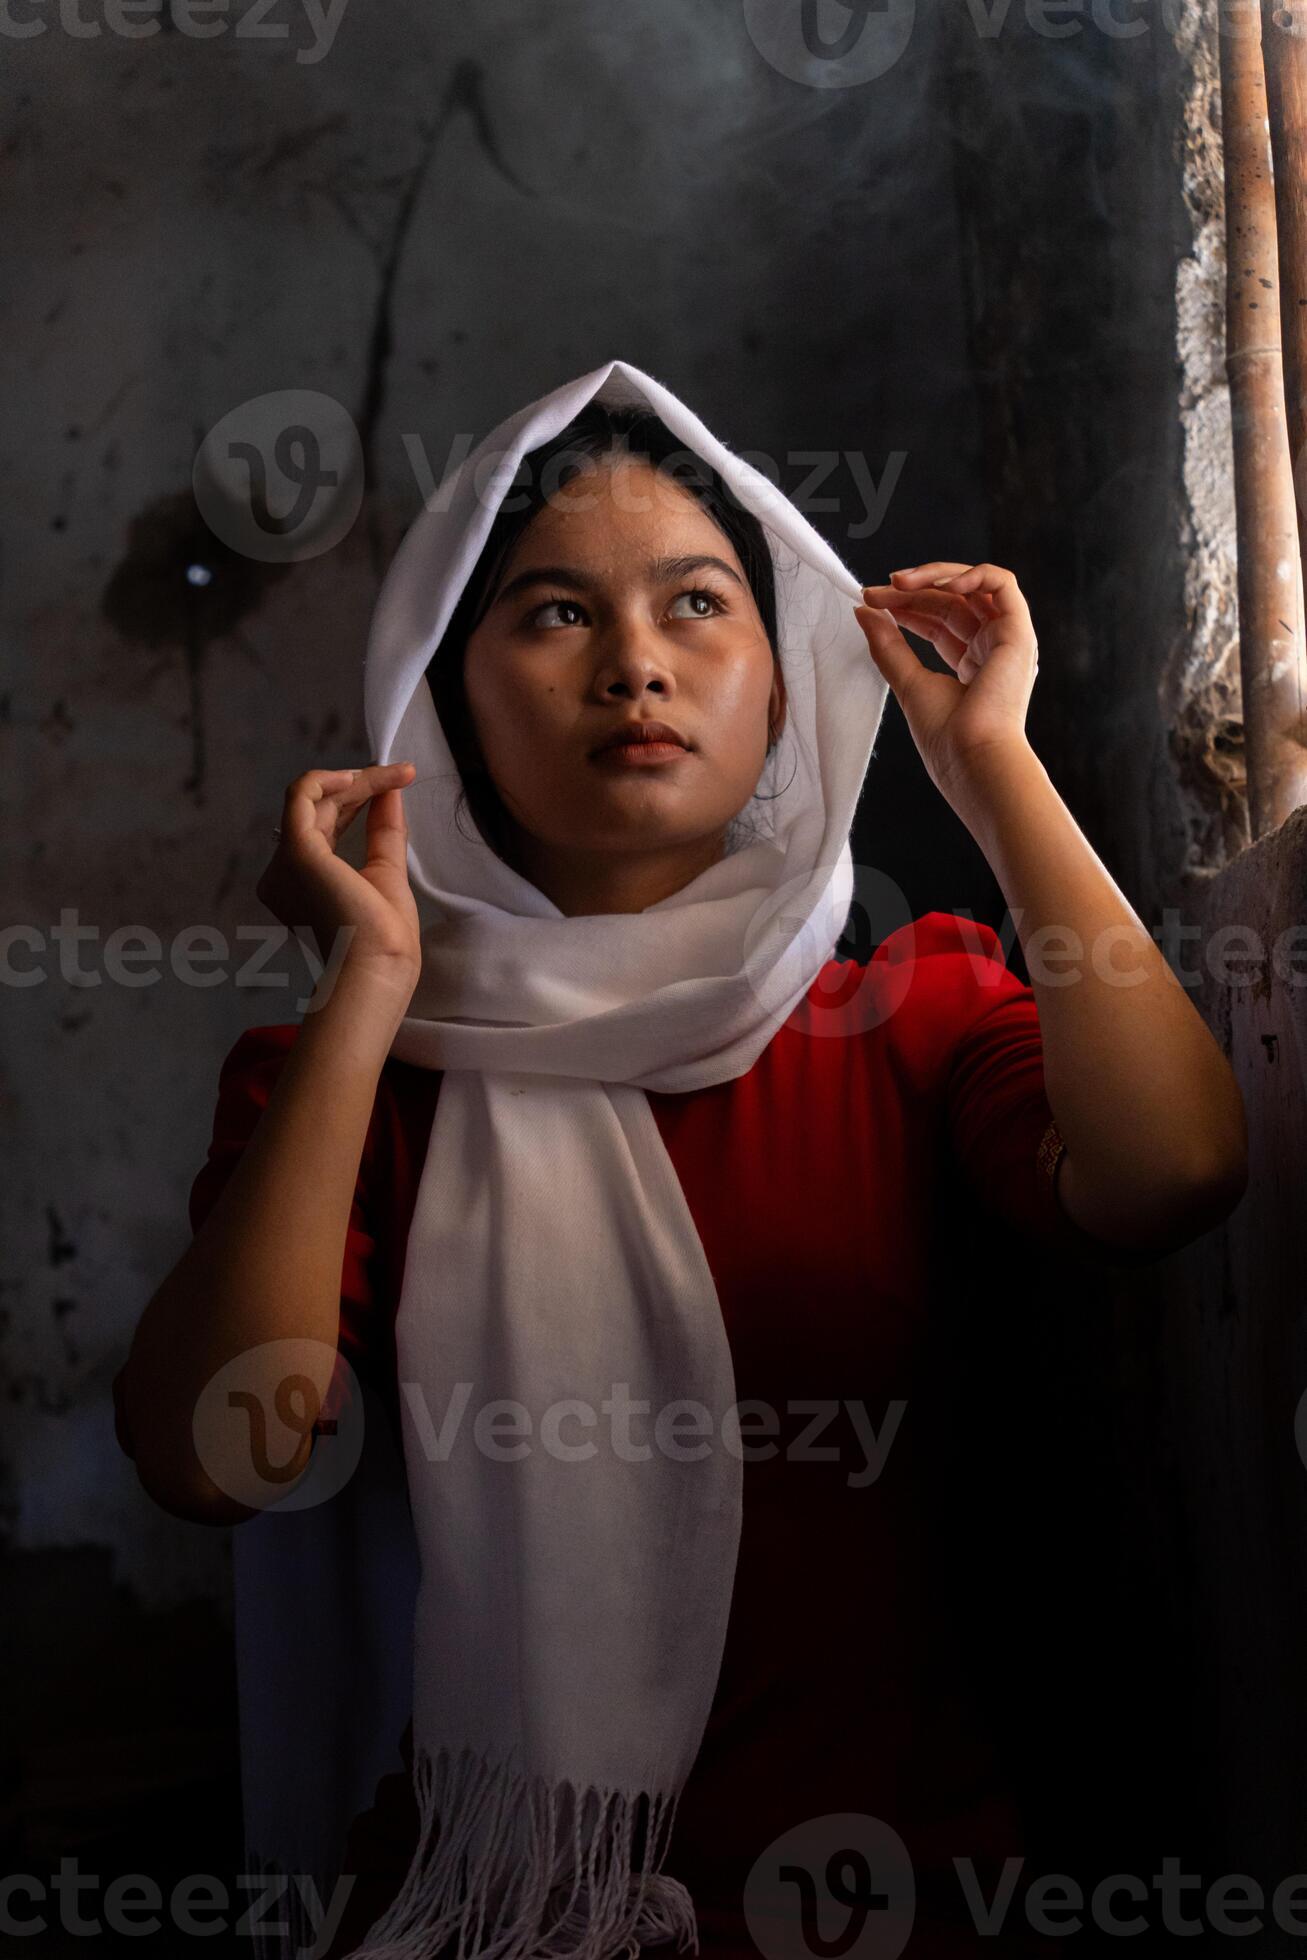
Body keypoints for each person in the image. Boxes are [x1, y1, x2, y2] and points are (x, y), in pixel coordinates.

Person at [114, 360, 1247, 1960]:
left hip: (883, 1899)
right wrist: (367, 995)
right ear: (446, 702)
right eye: (555, 615)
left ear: (783, 683)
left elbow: (1179, 1170)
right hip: (486, 1907)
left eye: (699, 604)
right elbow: (209, 1460)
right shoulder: (358, 1080)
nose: (635, 664)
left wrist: (992, 766)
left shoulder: (908, 1010)